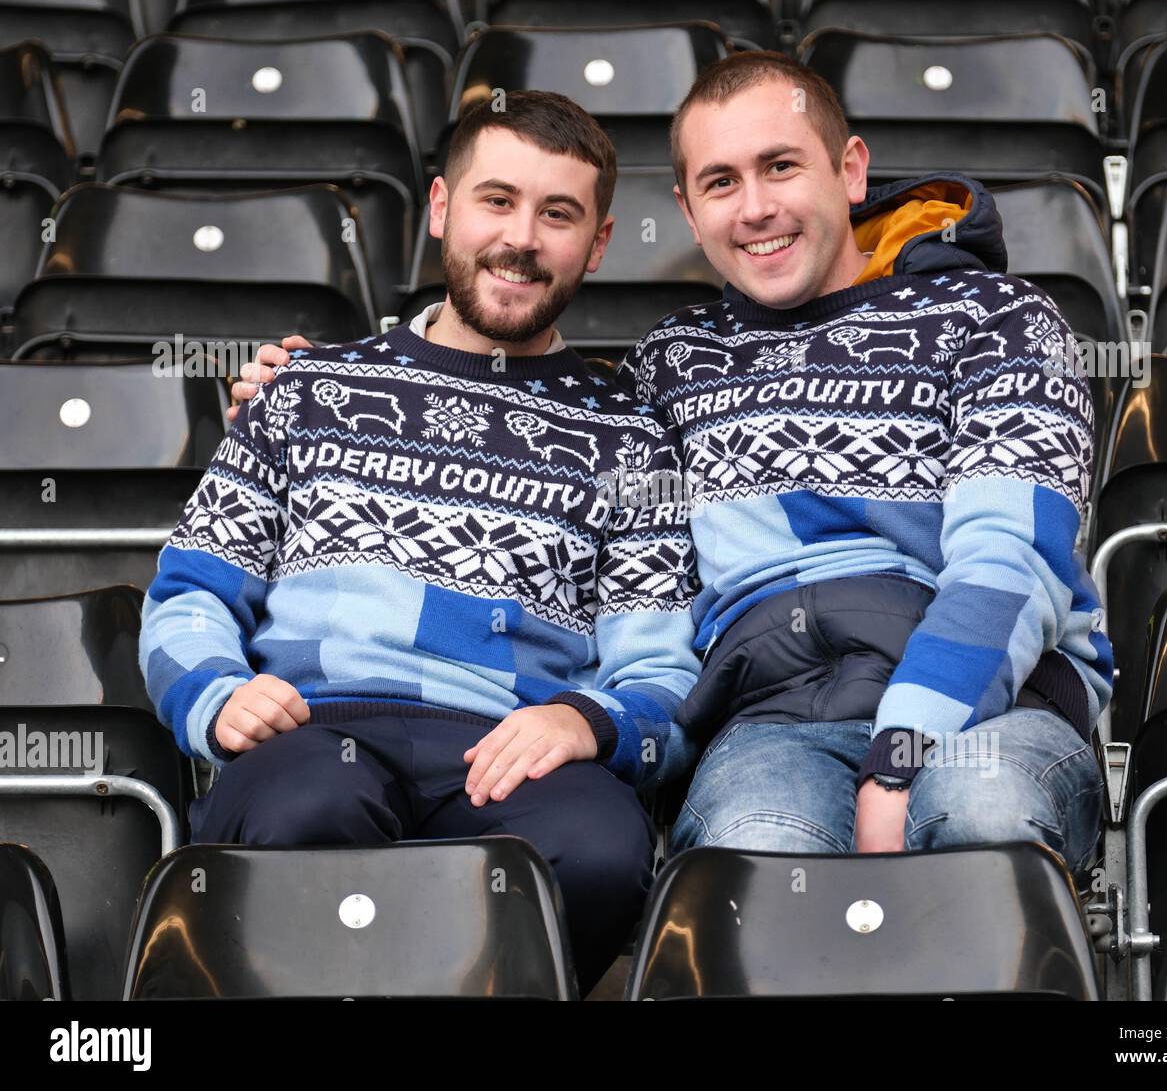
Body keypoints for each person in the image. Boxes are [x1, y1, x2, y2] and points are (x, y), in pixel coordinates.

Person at [242, 54, 1114, 883]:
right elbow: (532, 442)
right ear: (691, 216)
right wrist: (325, 392)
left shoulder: (993, 318)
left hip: (993, 709)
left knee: (977, 817)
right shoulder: (671, 366)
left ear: (850, 171)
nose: (755, 208)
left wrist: (899, 760)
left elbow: (1011, 561)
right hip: (770, 724)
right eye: (721, 183)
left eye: (780, 167)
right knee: (756, 860)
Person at [138, 91, 701, 995]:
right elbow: (190, 593)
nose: (521, 237)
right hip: (316, 725)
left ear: (597, 243)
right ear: (441, 207)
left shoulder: (634, 439)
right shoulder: (307, 386)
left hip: (511, 745)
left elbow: (663, 670)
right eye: (497, 200)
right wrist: (214, 695)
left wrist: (587, 719)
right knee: (314, 808)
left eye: (557, 214)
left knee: (597, 849)